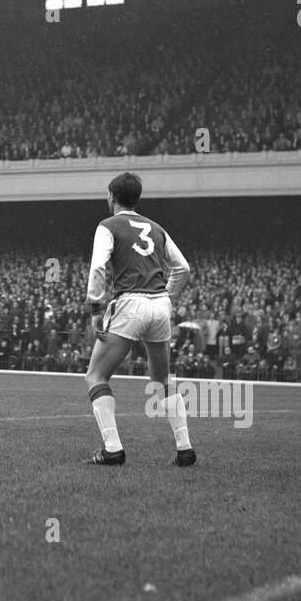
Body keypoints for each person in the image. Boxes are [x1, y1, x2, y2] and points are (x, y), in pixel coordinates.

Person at [83, 172, 194, 466]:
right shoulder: (157, 228)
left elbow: (97, 269)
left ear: (111, 196)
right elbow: (183, 268)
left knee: (96, 376)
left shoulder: (107, 225)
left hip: (130, 302)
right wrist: (166, 295)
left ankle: (112, 449)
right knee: (161, 381)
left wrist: (95, 309)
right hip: (159, 305)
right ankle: (184, 448)